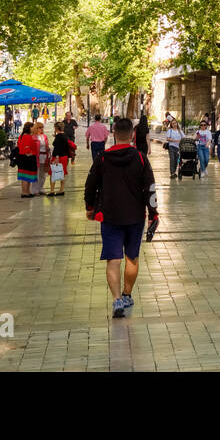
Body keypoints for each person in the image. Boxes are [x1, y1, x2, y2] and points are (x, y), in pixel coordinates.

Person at [84, 118, 159, 318]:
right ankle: (127, 294)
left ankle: (116, 299)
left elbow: (90, 185)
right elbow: (150, 188)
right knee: (132, 258)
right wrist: (154, 214)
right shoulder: (141, 158)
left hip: (110, 216)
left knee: (113, 259)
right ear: (133, 135)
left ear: (113, 133)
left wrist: (90, 207)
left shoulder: (102, 158)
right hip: (135, 216)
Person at [49, 121, 73, 196]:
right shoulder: (65, 135)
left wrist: (56, 157)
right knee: (62, 173)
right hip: (64, 157)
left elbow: (58, 147)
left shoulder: (59, 137)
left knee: (53, 173)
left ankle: (52, 191)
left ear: (56, 128)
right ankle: (61, 190)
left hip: (58, 157)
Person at [16, 123, 39, 197]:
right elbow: (27, 148)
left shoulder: (21, 136)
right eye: (33, 127)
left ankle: (27, 192)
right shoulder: (28, 136)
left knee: (26, 176)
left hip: (22, 158)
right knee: (26, 176)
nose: (34, 128)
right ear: (29, 128)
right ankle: (25, 192)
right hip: (27, 158)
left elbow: (19, 145)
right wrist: (30, 153)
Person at [33, 122, 50, 196]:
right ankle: (35, 190)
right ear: (36, 128)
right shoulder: (34, 137)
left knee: (43, 174)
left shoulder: (45, 136)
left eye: (42, 127)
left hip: (44, 156)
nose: (41, 129)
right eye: (40, 128)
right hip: (37, 156)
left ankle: (41, 188)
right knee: (36, 173)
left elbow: (47, 146)